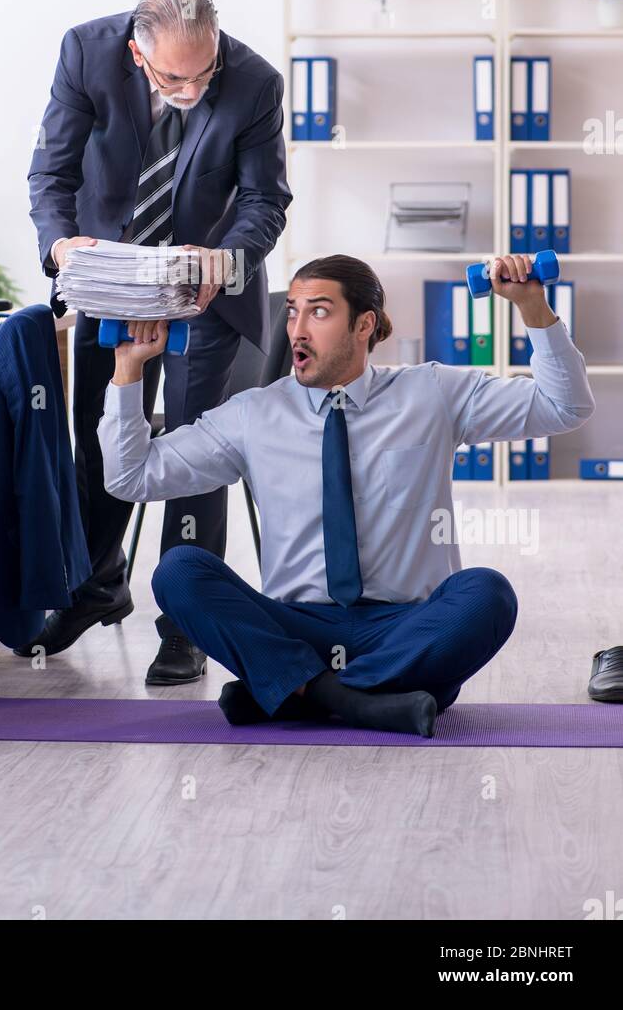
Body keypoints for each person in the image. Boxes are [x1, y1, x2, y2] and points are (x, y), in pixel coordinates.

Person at [97, 253, 595, 736]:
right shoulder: (254, 414)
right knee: (180, 570)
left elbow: (564, 407)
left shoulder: (433, 393)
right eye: (292, 311)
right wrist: (129, 370)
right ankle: (358, 701)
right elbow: (132, 477)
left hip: (404, 630)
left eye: (319, 311)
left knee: (487, 594)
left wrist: (533, 307)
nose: (297, 329)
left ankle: (293, 690)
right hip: (297, 627)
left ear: (364, 326)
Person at [24, 0, 292, 683]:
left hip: (204, 291)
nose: (192, 89)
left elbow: (266, 199)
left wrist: (225, 257)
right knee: (101, 438)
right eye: (174, 78)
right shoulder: (86, 52)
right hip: (106, 277)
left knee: (192, 451)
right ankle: (99, 581)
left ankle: (186, 623)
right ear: (136, 53)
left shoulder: (255, 81)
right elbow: (51, 172)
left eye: (203, 74)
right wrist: (59, 249)